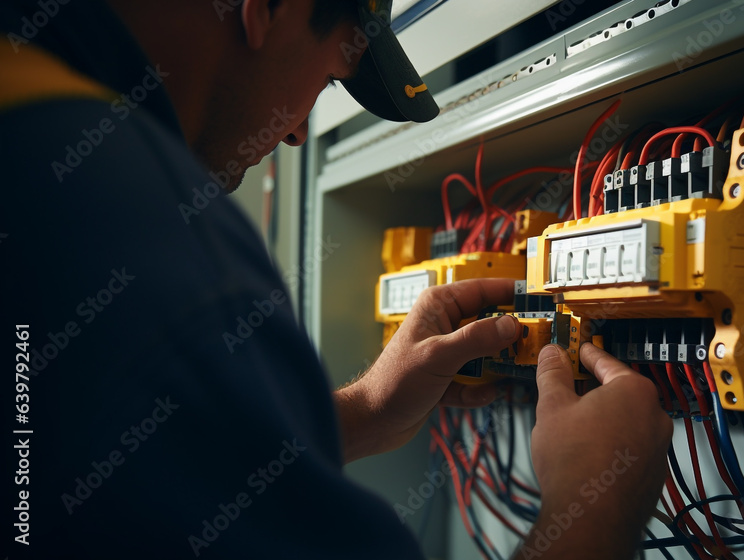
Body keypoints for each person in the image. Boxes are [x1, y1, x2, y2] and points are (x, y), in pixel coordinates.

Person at [0, 0, 673, 558]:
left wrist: (365, 414)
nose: (296, 135)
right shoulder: (153, 238)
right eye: (329, 81)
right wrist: (601, 496)